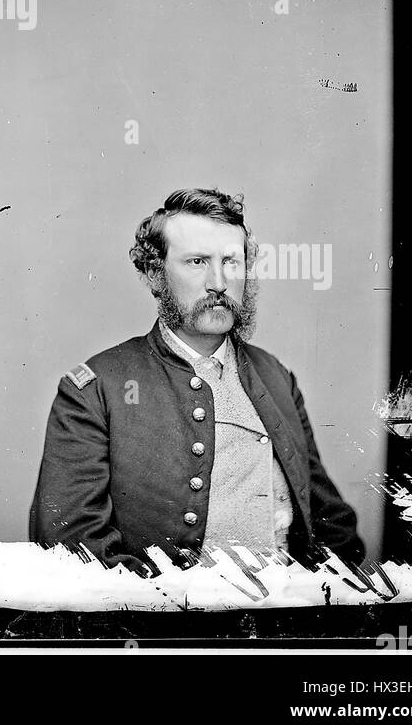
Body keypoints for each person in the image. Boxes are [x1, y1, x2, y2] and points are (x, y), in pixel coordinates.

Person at [29, 187, 363, 572]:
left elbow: (331, 523)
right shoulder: (97, 389)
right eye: (197, 262)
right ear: (156, 275)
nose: (218, 282)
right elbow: (69, 546)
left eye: (231, 262)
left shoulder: (276, 378)